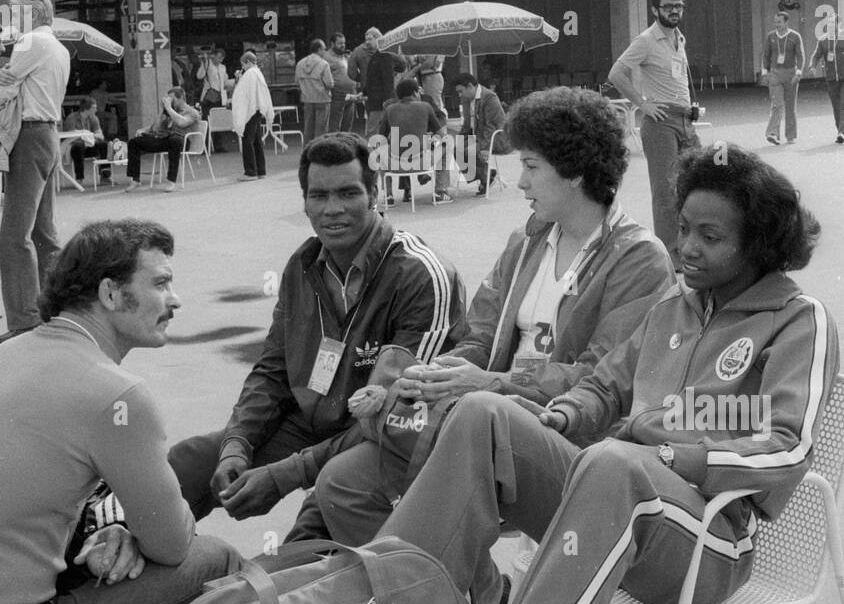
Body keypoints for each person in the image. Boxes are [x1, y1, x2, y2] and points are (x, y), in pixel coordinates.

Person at [376, 144, 838, 604]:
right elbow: (606, 385)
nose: (688, 248)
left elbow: (785, 441)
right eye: (684, 229)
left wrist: (675, 439)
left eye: (712, 236)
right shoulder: (672, 307)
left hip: (708, 545)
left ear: (759, 244)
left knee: (616, 462)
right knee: (484, 413)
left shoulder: (798, 321)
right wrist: (564, 414)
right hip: (614, 502)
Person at [316, 87, 675, 573]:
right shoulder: (526, 240)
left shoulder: (639, 259)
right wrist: (439, 371)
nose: (519, 181)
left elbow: (601, 380)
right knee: (340, 484)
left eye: (531, 166)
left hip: (569, 438)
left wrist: (492, 385)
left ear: (573, 171)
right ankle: (466, 599)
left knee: (449, 444)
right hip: (483, 417)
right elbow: (480, 336)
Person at [0, 219, 241, 604]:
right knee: (216, 561)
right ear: (110, 293)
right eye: (160, 283)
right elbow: (175, 545)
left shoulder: (13, 352)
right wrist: (137, 535)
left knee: (114, 558)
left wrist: (109, 530)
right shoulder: (115, 393)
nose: (175, 299)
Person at [166, 132, 467, 541]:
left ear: (374, 193)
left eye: (348, 193)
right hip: (314, 423)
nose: (333, 210)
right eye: (318, 196)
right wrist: (238, 443)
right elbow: (272, 370)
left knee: (305, 551)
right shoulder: (303, 266)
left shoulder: (420, 275)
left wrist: (290, 474)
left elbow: (400, 414)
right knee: (190, 465)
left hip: (385, 441)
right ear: (304, 201)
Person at [608, 0, 699, 268]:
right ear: (654, 9)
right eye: (668, 7)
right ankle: (671, 256)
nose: (674, 11)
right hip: (660, 123)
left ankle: (689, 245)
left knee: (695, 181)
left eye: (678, 6)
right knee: (665, 191)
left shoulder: (678, 38)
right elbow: (616, 74)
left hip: (685, 119)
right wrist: (642, 104)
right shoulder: (647, 40)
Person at [0, 0, 70, 337]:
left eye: (15, 13)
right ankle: (56, 310)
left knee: (13, 236)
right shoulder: (57, 46)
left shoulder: (30, 44)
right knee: (44, 232)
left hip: (27, 139)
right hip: (47, 135)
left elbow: (4, 88)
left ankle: (24, 321)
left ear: (33, 14)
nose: (10, 18)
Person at [376, 77, 452, 204]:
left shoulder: (390, 109)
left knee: (380, 150)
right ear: (415, 92)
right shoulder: (425, 106)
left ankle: (388, 195)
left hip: (395, 166)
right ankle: (440, 192)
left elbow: (380, 138)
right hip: (421, 163)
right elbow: (441, 133)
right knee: (448, 141)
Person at [125, 86, 200, 192]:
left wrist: (169, 109)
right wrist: (163, 112)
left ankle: (171, 181)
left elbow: (181, 123)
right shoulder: (169, 110)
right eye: (168, 99)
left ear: (181, 98)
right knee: (134, 142)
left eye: (172, 99)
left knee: (175, 140)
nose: (169, 102)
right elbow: (156, 128)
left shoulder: (192, 112)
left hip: (182, 141)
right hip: (165, 139)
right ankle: (135, 180)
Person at [454, 71, 509, 194]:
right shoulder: (466, 98)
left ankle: (487, 178)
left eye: (461, 91)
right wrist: (459, 141)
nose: (459, 95)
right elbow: (467, 124)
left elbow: (491, 126)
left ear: (470, 86)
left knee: (469, 151)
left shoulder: (489, 97)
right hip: (478, 136)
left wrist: (485, 147)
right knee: (457, 150)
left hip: (496, 137)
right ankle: (488, 176)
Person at [348, 27, 405, 136]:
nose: (367, 42)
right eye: (366, 40)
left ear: (378, 39)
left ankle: (374, 151)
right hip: (377, 98)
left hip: (380, 100)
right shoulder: (380, 55)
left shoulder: (384, 55)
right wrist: (364, 92)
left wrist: (387, 99)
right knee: (380, 129)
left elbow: (387, 78)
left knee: (373, 130)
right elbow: (374, 78)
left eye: (370, 39)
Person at [761, 11, 804, 145]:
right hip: (775, 74)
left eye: (779, 22)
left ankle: (790, 136)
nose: (777, 24)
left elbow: (801, 56)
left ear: (786, 22)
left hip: (791, 74)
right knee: (777, 104)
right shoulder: (771, 36)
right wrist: (765, 72)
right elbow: (766, 55)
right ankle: (773, 133)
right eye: (775, 22)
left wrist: (798, 72)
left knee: (790, 106)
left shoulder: (795, 36)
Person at [231, 51, 274, 180]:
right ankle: (261, 171)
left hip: (251, 111)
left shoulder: (250, 74)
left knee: (247, 140)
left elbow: (243, 94)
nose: (242, 67)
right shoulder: (257, 73)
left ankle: (250, 171)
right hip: (258, 110)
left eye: (243, 64)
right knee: (257, 141)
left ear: (248, 62)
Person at [810, 11, 844, 144]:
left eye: (832, 24)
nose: (830, 27)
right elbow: (816, 55)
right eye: (828, 24)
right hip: (831, 78)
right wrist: (812, 66)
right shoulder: (823, 40)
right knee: (836, 106)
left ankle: (842, 131)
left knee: (843, 104)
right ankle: (840, 131)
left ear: (837, 24)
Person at [294, 39, 334, 144]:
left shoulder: (300, 64)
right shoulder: (324, 64)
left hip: (307, 99)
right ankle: (319, 153)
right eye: (324, 49)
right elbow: (329, 84)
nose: (325, 51)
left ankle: (307, 153)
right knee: (321, 130)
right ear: (319, 49)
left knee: (308, 129)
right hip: (322, 99)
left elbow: (297, 82)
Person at [65, 95, 109, 184]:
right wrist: (86, 136)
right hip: (75, 147)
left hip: (89, 146)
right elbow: (71, 136)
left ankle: (105, 176)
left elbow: (100, 136)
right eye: (94, 108)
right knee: (78, 146)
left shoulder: (93, 118)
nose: (96, 110)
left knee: (104, 144)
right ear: (86, 108)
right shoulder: (72, 118)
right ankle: (79, 178)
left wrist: (88, 135)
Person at [196, 48, 233, 150]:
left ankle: (218, 146)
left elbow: (225, 81)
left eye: (222, 58)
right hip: (208, 97)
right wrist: (204, 64)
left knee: (218, 120)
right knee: (207, 121)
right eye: (218, 57)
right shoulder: (208, 64)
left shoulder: (223, 67)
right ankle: (205, 146)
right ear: (213, 56)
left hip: (219, 96)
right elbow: (199, 76)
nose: (220, 60)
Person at [324, 32, 357, 132]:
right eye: (340, 43)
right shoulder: (326, 57)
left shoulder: (345, 56)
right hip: (337, 96)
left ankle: (345, 146)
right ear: (332, 44)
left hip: (351, 95)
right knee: (335, 126)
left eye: (344, 43)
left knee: (347, 126)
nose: (343, 45)